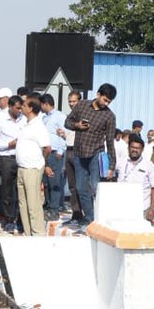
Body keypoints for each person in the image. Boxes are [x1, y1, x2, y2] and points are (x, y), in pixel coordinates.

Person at [64, 83, 118, 224]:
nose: (106, 103)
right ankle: (89, 217)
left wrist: (112, 166)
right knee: (81, 188)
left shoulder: (109, 116)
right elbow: (67, 122)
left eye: (109, 102)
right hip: (79, 154)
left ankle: (102, 218)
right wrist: (77, 126)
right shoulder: (81, 105)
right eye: (105, 100)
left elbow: (110, 142)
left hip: (96, 154)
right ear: (98, 95)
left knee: (96, 187)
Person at [15, 96, 52, 237]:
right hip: (22, 168)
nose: (21, 107)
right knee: (23, 203)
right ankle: (28, 231)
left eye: (24, 105)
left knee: (33, 203)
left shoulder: (38, 126)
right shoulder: (26, 124)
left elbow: (47, 148)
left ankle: (38, 233)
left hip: (33, 168)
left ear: (30, 108)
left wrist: (41, 161)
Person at [0, 95, 23, 233]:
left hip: (21, 159)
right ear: (10, 107)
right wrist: (8, 145)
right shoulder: (1, 121)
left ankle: (20, 220)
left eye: (21, 108)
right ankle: (9, 219)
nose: (20, 110)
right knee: (7, 190)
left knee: (20, 191)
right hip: (6, 159)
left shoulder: (24, 121)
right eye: (17, 108)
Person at [117, 134, 154, 223]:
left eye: (138, 148)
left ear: (142, 150)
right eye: (132, 147)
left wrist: (152, 208)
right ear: (128, 148)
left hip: (142, 209)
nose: (134, 150)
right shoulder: (121, 162)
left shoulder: (149, 165)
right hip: (122, 206)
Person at [40, 93, 67, 221]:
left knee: (54, 181)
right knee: (45, 182)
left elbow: (64, 134)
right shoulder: (44, 118)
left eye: (41, 105)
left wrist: (61, 151)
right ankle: (48, 205)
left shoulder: (60, 116)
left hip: (55, 152)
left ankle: (54, 209)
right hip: (45, 152)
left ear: (45, 104)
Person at [63, 89, 85, 222]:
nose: (71, 104)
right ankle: (76, 212)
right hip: (68, 150)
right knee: (72, 185)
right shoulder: (69, 117)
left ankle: (85, 212)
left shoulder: (83, 117)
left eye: (74, 101)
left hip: (79, 152)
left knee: (80, 185)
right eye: (70, 101)